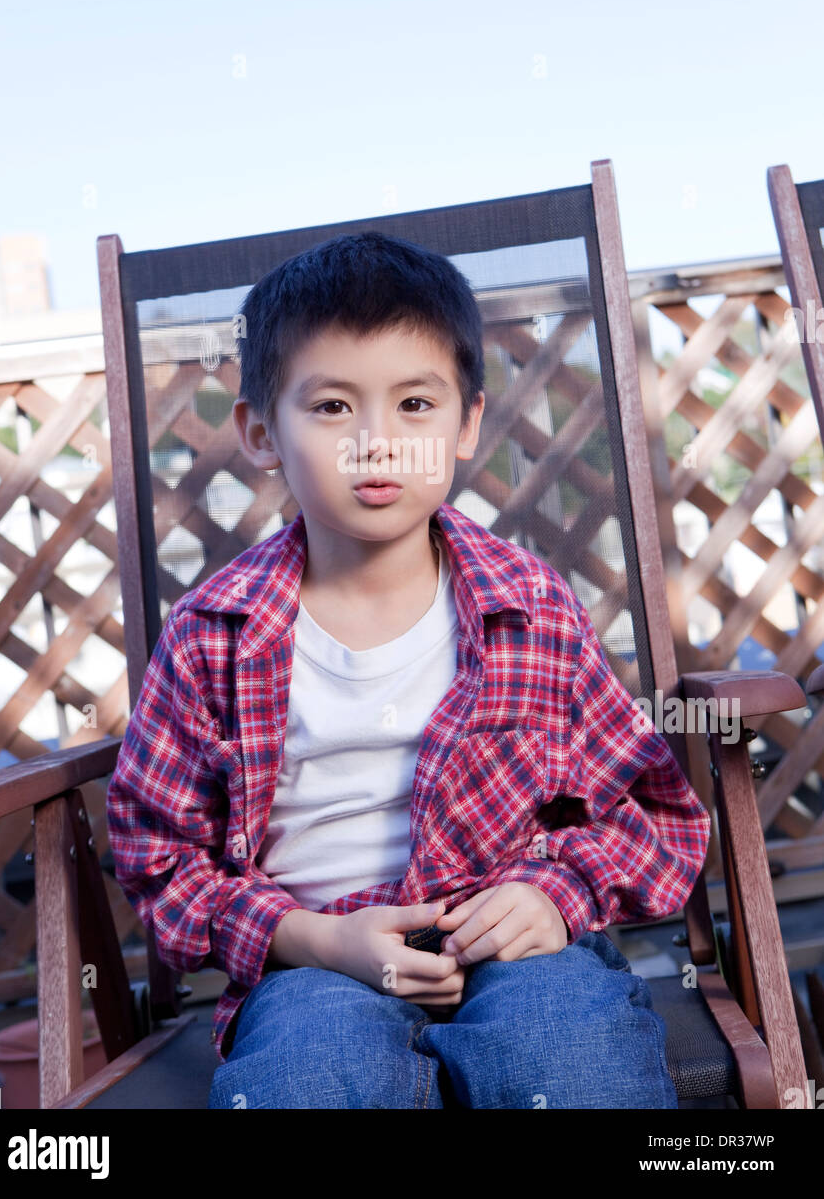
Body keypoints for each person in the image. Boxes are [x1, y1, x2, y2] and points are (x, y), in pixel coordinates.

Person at [106, 230, 711, 1109]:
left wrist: (555, 895)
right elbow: (158, 861)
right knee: (307, 1082)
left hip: (516, 948)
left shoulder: (531, 609)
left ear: (467, 425)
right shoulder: (213, 636)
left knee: (571, 1065)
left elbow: (652, 814)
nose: (377, 443)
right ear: (259, 432)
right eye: (333, 408)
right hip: (316, 970)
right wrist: (311, 938)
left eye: (416, 405)